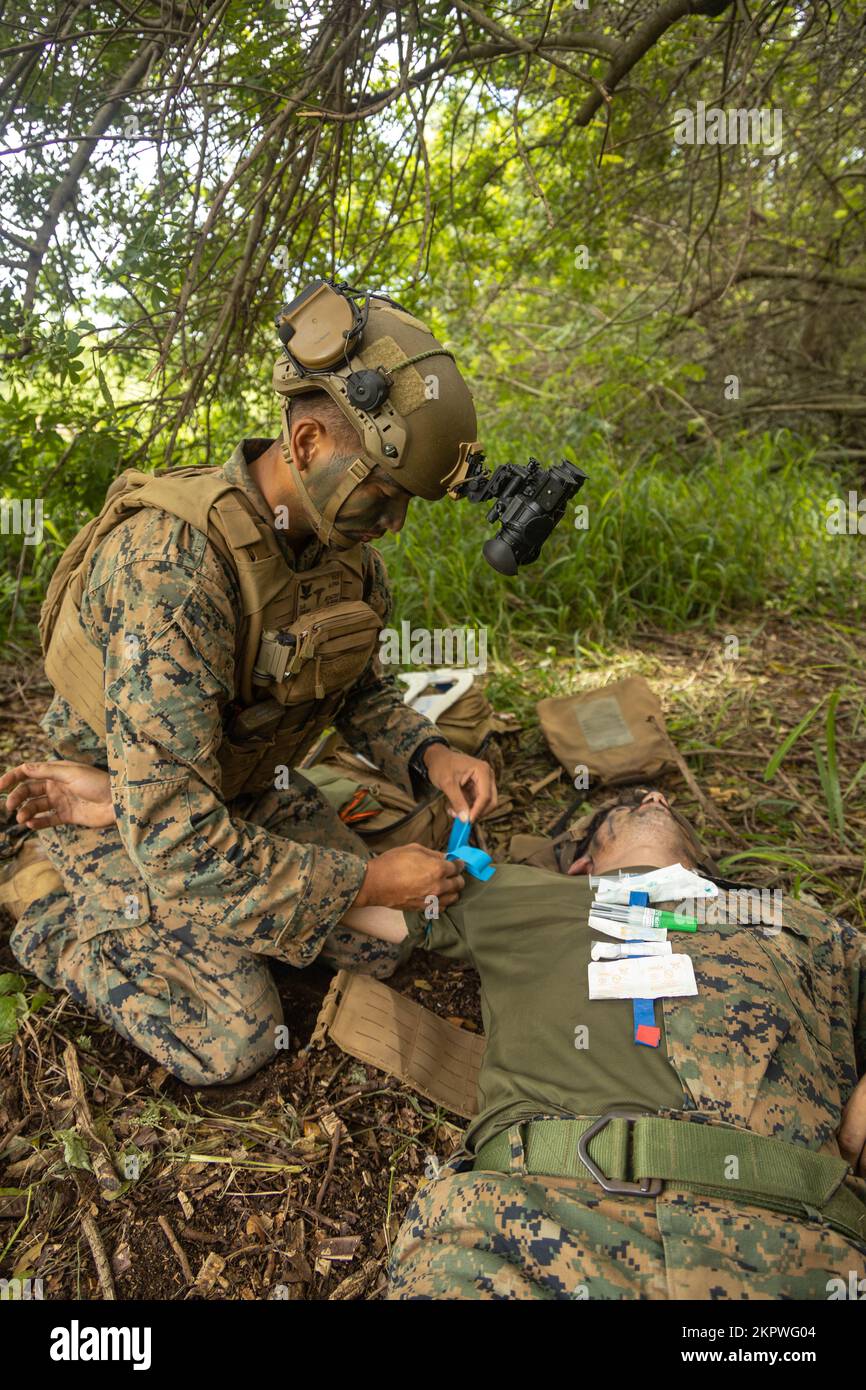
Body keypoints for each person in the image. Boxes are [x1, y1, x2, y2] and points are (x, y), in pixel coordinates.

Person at [0, 285, 495, 1085]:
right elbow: (172, 838)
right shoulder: (174, 565)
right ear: (305, 442)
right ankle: (50, 905)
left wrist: (429, 753)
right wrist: (364, 875)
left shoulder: (345, 556)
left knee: (383, 941)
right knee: (233, 1036)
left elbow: (358, 691)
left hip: (232, 790)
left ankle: (114, 815)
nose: (394, 526)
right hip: (146, 819)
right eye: (385, 494)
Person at [381, 788, 866, 1299]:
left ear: (699, 860)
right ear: (583, 864)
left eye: (659, 798)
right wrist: (376, 877)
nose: (655, 795)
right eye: (623, 804)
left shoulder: (786, 915)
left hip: (805, 1243)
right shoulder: (515, 892)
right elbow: (354, 904)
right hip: (531, 1228)